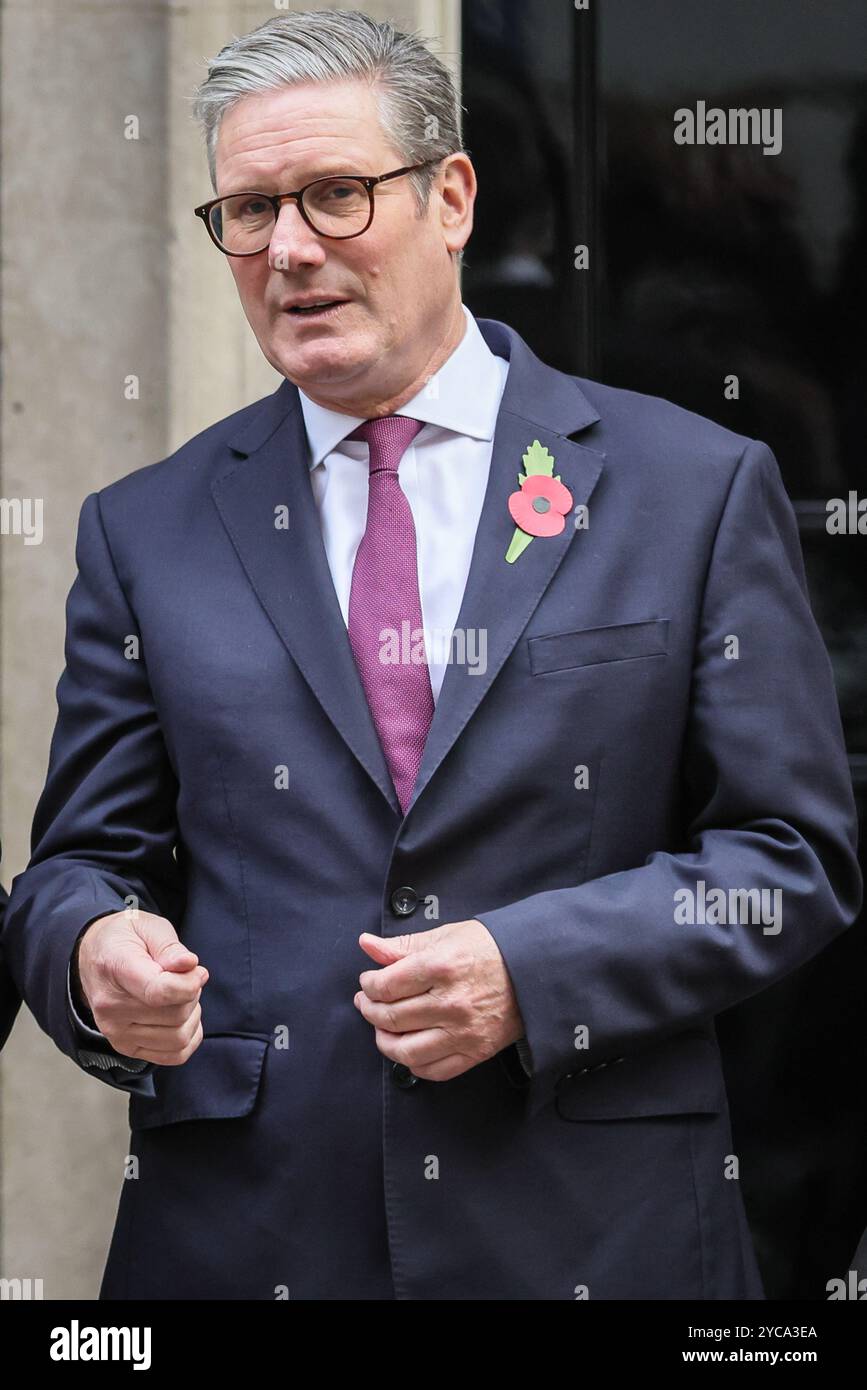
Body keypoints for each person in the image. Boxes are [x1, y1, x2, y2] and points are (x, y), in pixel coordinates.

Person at [2, 8, 861, 1300]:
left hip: (598, 1235)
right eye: (248, 211)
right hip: (251, 1237)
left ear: (452, 197)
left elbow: (791, 859)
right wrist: (90, 955)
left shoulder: (690, 488)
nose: (287, 249)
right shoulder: (148, 530)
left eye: (335, 195)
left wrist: (533, 970)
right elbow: (73, 865)